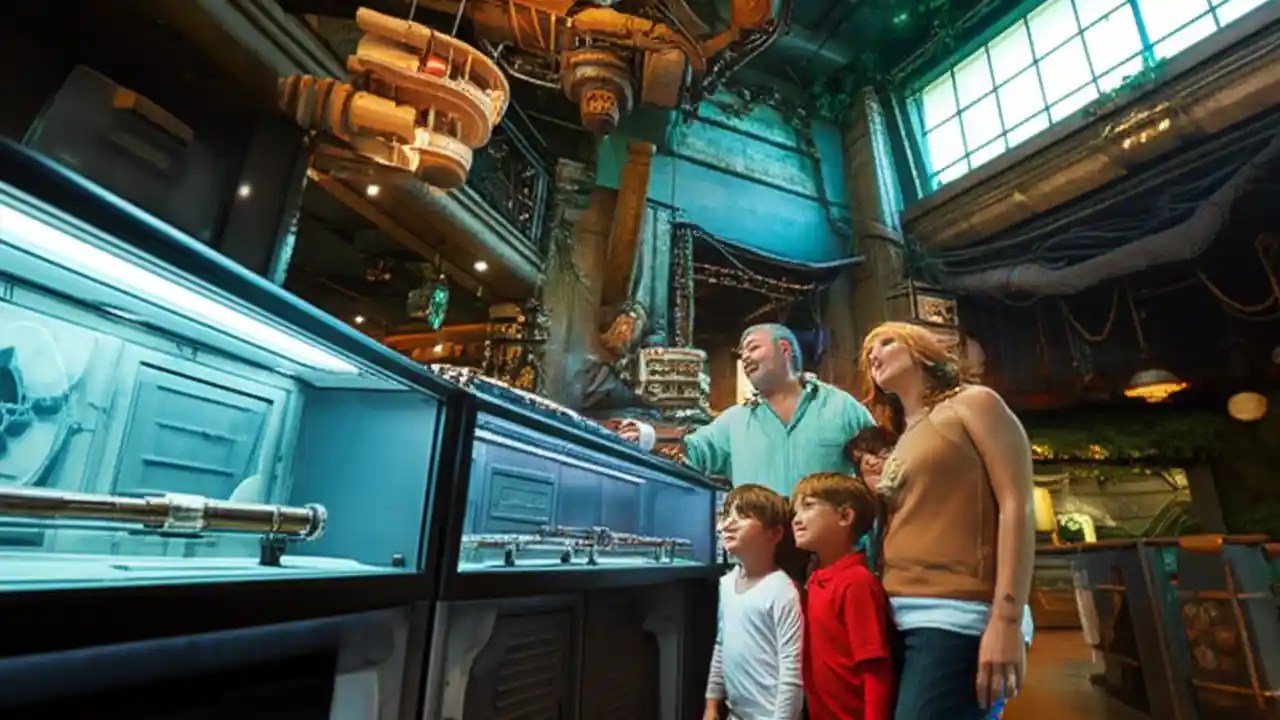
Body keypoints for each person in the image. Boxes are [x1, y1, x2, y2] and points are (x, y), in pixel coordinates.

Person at [857, 321, 1035, 719]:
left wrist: (1007, 619)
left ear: (923, 350)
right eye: (868, 351)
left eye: (886, 341)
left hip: (958, 614)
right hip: (900, 615)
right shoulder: (905, 434)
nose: (873, 354)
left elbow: (1016, 503)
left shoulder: (973, 403)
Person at [619, 323, 876, 498]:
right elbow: (694, 450)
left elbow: (878, 471)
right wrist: (648, 436)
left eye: (753, 347)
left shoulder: (843, 408)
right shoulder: (734, 420)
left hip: (834, 557)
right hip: (761, 556)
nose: (745, 357)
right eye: (742, 353)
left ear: (784, 349)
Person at [790, 472, 894, 720]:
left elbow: (874, 667)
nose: (796, 520)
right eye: (795, 511)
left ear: (845, 516)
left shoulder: (856, 582)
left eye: (808, 506)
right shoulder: (815, 579)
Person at [704, 484, 804, 720]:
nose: (726, 524)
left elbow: (791, 671)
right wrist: (711, 705)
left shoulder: (782, 591)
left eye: (742, 516)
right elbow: (722, 645)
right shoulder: (726, 583)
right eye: (726, 515)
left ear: (774, 534)